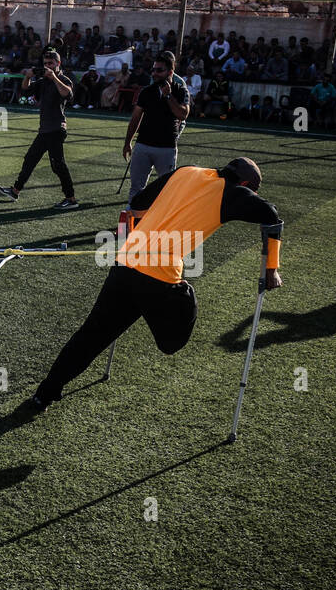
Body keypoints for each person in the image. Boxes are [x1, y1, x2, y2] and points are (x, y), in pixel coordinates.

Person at [31, 158, 283, 412]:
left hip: (125, 265)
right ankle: (186, 294)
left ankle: (46, 392)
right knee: (171, 343)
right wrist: (272, 269)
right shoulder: (233, 193)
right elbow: (271, 215)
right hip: (159, 280)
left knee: (91, 336)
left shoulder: (186, 171)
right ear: (245, 183)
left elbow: (139, 202)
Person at [0, 48, 79, 210]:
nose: (47, 66)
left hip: (56, 129)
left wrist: (53, 77)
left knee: (58, 165)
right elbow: (25, 89)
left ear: (58, 64)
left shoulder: (63, 79)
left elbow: (67, 94)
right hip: (45, 129)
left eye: (51, 63)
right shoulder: (43, 81)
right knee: (30, 159)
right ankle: (15, 190)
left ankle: (71, 198)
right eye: (45, 63)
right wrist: (27, 76)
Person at [122, 50, 189, 207]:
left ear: (170, 72)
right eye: (153, 69)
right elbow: (135, 118)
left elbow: (183, 114)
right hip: (143, 146)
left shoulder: (180, 90)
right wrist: (127, 142)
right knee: (136, 189)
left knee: (166, 191)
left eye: (159, 70)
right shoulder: (147, 91)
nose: (155, 73)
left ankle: (161, 226)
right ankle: (130, 227)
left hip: (166, 148)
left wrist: (168, 96)